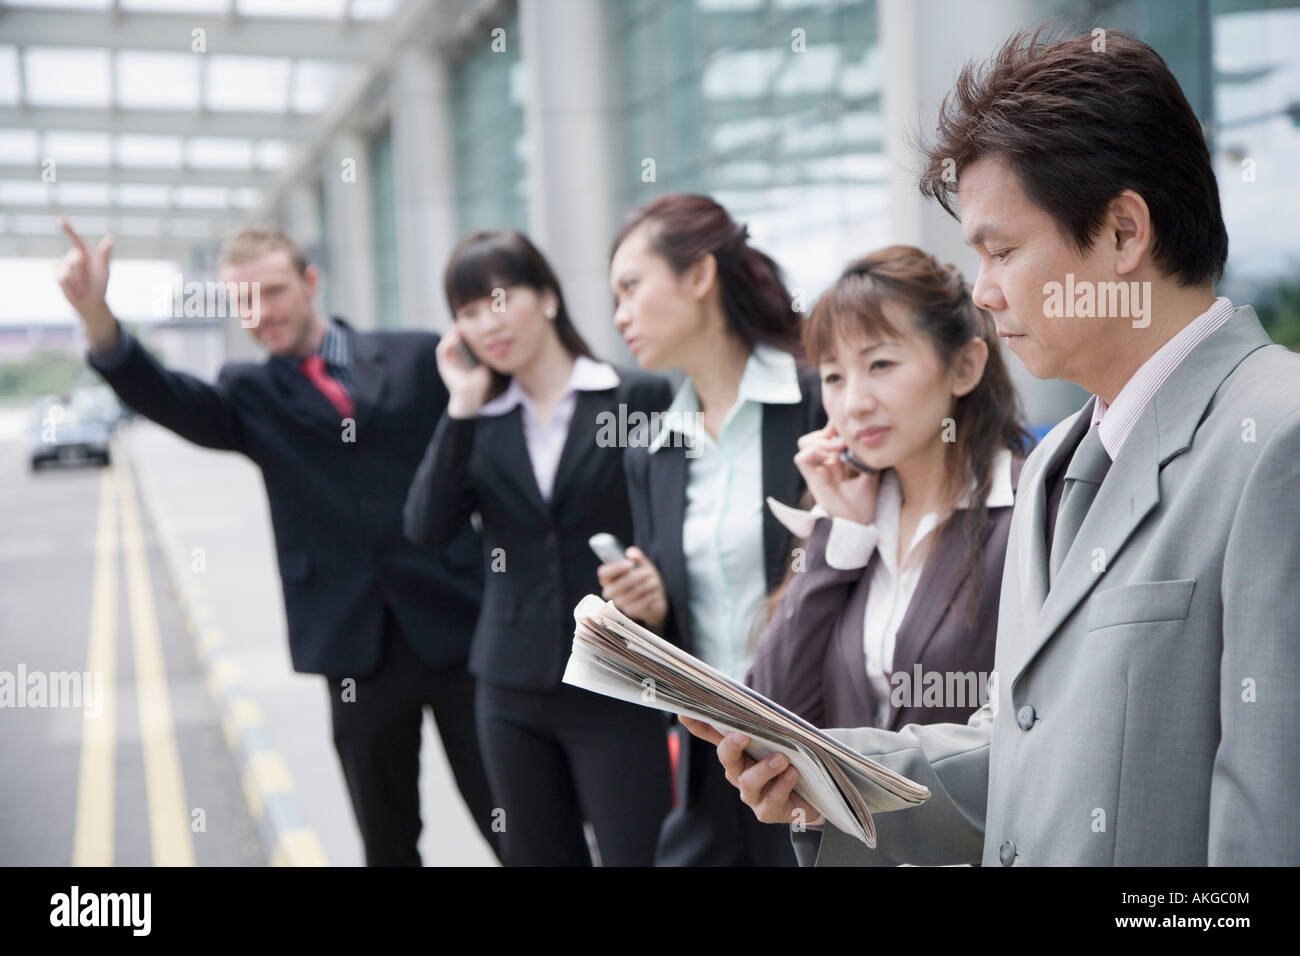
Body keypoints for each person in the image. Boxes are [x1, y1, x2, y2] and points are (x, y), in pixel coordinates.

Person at [684, 29, 1300, 865]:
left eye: (1002, 250)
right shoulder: (1056, 464)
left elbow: (1270, 825)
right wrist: (827, 771)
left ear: (1123, 233)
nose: (983, 290)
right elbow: (1026, 746)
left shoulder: (1279, 438)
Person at [57, 221, 499, 866]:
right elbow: (164, 395)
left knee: (517, 825)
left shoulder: (416, 357)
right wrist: (98, 315)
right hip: (356, 656)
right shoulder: (249, 392)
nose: (260, 313)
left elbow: (497, 452)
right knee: (388, 842)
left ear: (310, 283)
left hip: (460, 628)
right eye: (244, 301)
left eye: (273, 292)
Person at [403, 229, 673, 866]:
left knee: (642, 854)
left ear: (547, 296)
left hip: (617, 680)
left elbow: (669, 522)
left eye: (496, 300)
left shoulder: (636, 397)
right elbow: (425, 527)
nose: (483, 324)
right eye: (466, 312)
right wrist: (462, 406)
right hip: (509, 688)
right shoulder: (478, 422)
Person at [598, 194, 825, 866]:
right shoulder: (652, 452)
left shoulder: (818, 400)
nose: (620, 315)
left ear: (699, 277)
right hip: (712, 766)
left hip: (819, 751)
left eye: (632, 287)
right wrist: (647, 610)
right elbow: (680, 634)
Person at [747, 246, 1033, 759]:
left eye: (880, 363)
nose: (854, 402)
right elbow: (772, 712)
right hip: (847, 839)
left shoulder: (1030, 507)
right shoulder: (848, 516)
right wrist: (841, 535)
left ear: (964, 367)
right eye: (833, 376)